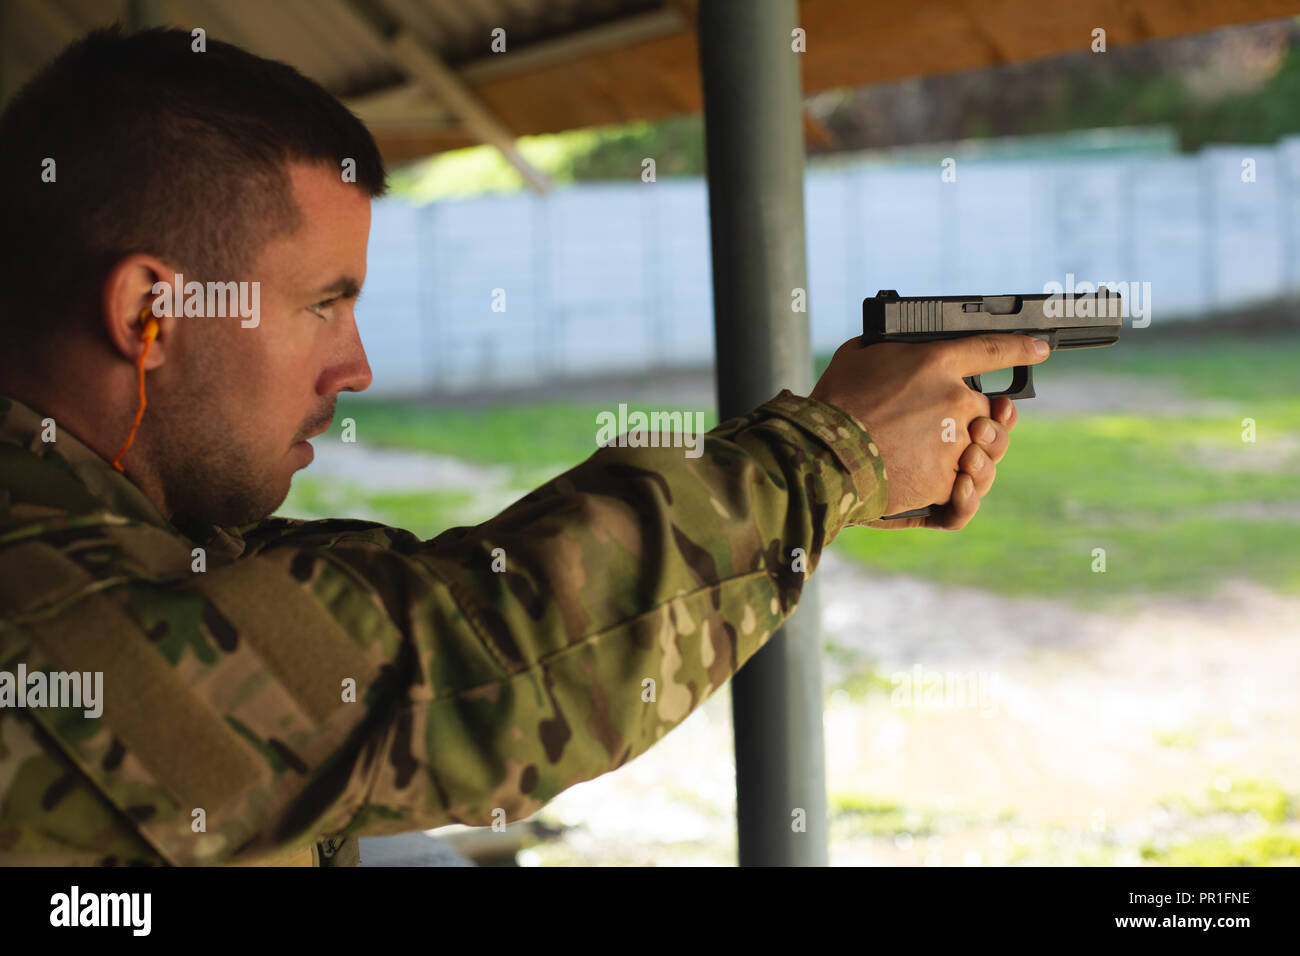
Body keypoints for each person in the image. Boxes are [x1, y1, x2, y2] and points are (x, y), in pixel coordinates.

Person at [0, 26, 1045, 866]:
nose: (354, 366)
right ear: (150, 313)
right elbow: (456, 660)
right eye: (323, 303)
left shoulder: (107, 531)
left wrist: (840, 466)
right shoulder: (45, 613)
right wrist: (830, 454)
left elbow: (373, 598)